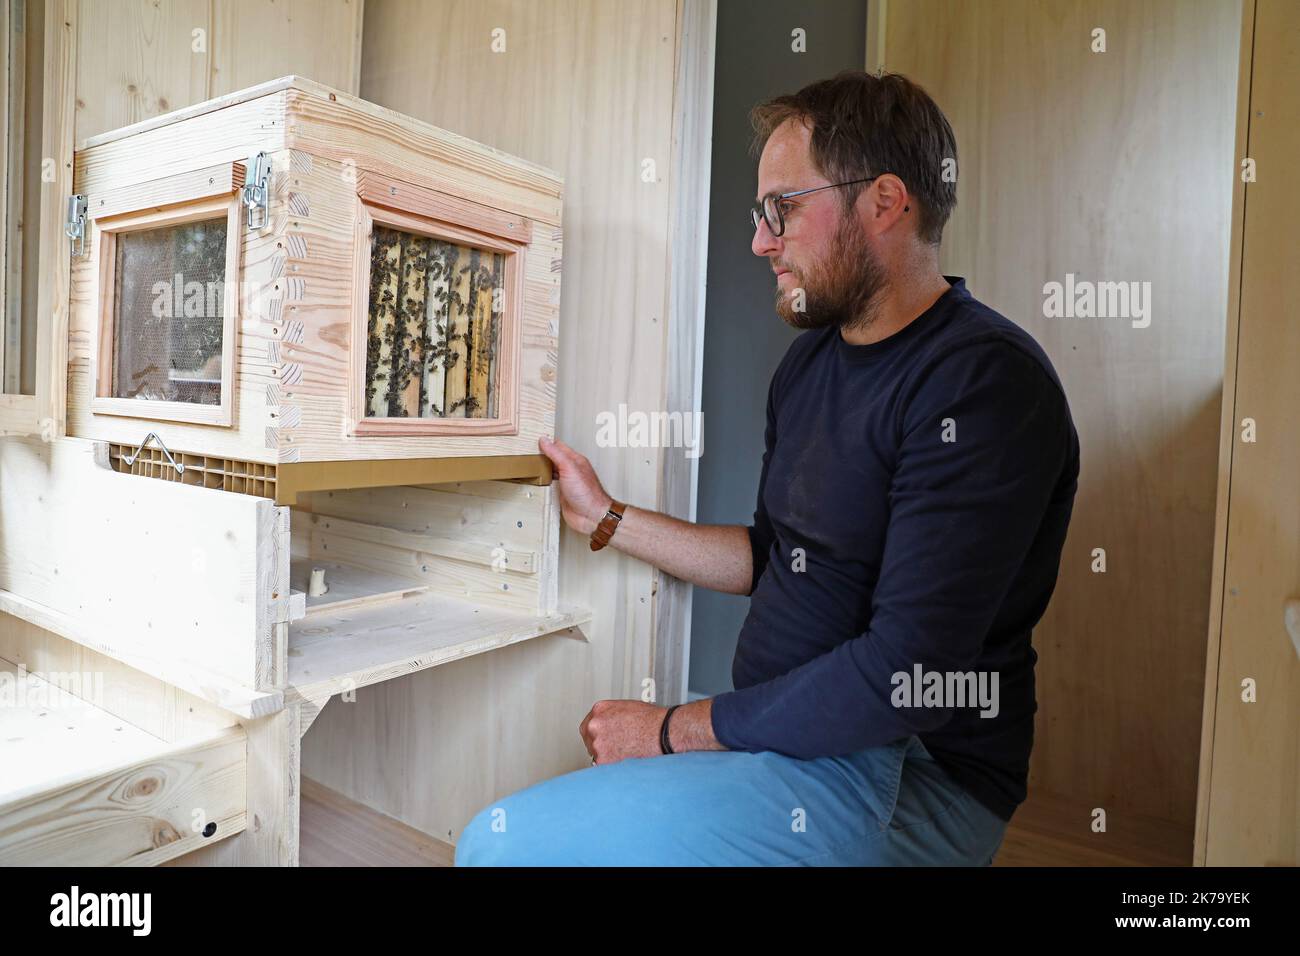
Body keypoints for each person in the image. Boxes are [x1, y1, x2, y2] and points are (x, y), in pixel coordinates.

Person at [455, 69, 1079, 866]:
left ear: (885, 202)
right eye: (762, 214)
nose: (760, 241)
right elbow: (777, 555)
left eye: (782, 208)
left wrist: (673, 731)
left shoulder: (984, 385)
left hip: (904, 768)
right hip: (788, 740)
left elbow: (906, 672)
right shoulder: (810, 364)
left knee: (498, 848)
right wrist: (606, 517)